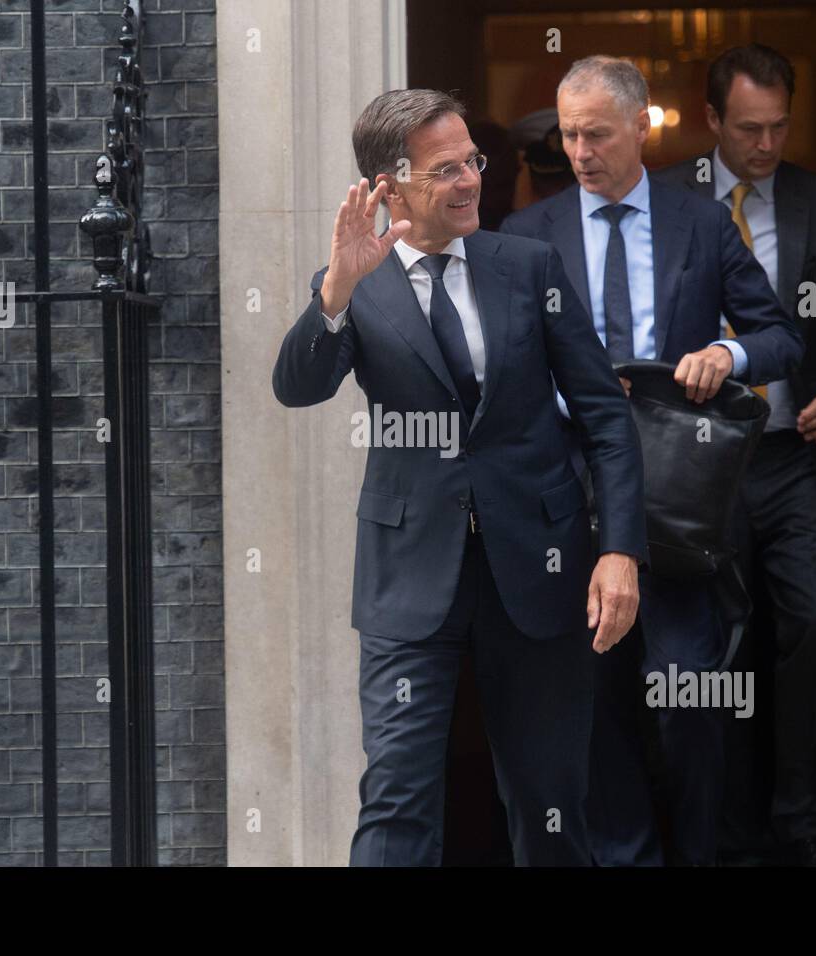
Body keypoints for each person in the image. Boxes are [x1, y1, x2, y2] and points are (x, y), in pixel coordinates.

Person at [272, 88, 648, 866]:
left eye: (472, 160)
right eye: (446, 169)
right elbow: (297, 386)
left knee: (549, 802)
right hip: (409, 578)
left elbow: (604, 418)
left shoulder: (527, 265)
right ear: (390, 186)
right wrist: (336, 290)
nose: (471, 179)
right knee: (398, 799)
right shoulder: (354, 282)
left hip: (538, 568)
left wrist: (619, 551)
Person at [502, 55, 804, 866]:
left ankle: (706, 854)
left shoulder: (700, 224)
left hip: (678, 498)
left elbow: (782, 335)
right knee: (594, 704)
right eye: (568, 135)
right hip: (567, 491)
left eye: (596, 133)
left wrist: (727, 354)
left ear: (643, 125)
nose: (579, 151)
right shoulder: (527, 236)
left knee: (690, 700)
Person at [653, 43, 816, 865]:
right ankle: (722, 836)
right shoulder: (665, 198)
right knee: (712, 652)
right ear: (711, 119)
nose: (766, 145)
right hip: (699, 463)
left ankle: (808, 827)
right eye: (748, 128)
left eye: (779, 127)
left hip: (794, 460)